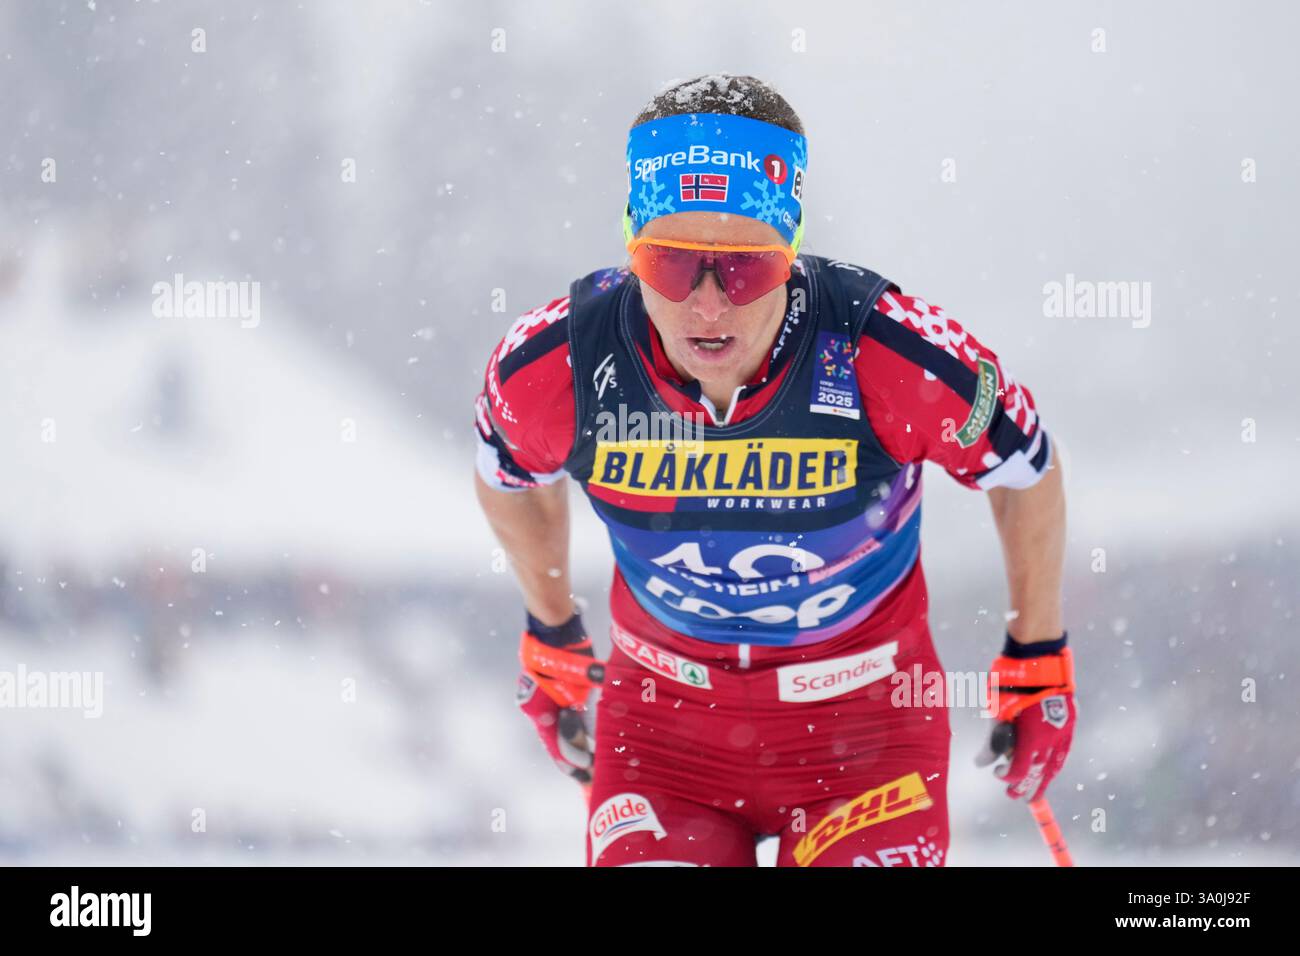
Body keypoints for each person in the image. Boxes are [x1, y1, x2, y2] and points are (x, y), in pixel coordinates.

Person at [473, 73, 1075, 867]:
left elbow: (1024, 470)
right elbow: (505, 473)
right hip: (664, 738)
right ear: (630, 247)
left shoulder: (886, 352)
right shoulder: (556, 365)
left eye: (746, 268)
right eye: (671, 264)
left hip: (867, 736)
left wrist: (1038, 654)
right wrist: (549, 630)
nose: (709, 306)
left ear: (790, 253)